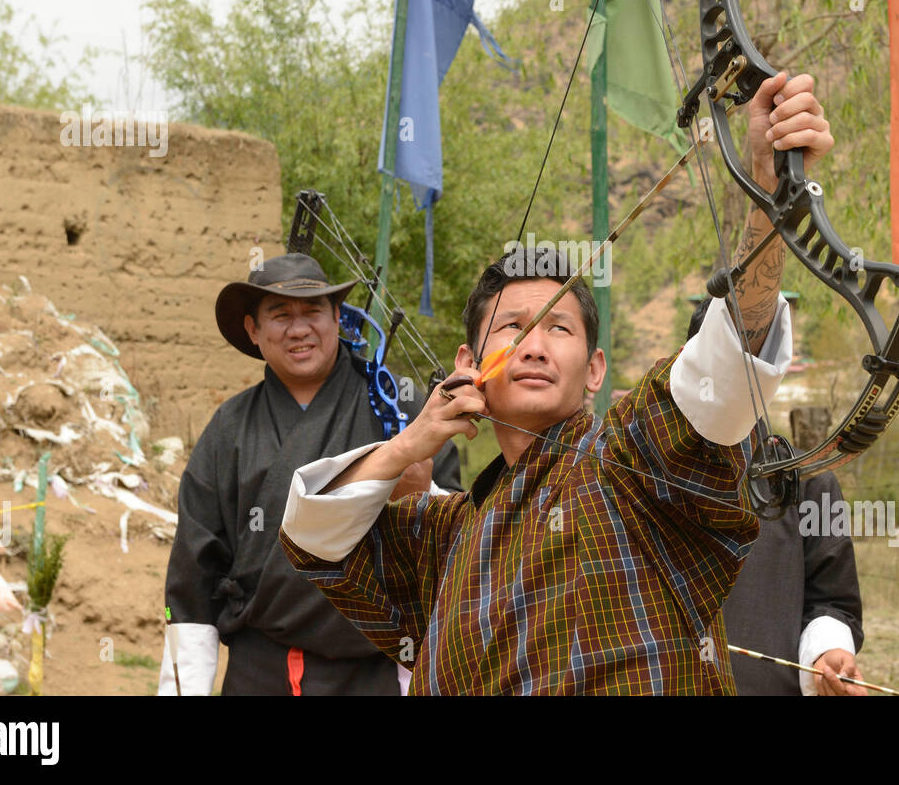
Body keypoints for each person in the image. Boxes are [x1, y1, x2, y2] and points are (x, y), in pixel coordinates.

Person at [278, 72, 833, 694]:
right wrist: (410, 445)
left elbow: (724, 376)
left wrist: (769, 191)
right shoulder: (445, 535)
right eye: (511, 327)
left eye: (559, 328)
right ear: (468, 362)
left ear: (594, 371)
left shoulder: (628, 466)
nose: (535, 345)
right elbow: (311, 534)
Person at [158, 252, 460, 695]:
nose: (299, 329)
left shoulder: (401, 412)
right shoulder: (230, 429)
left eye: (313, 311)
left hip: (377, 670)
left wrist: (422, 494)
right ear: (253, 331)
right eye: (280, 315)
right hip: (261, 670)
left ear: (337, 317)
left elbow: (460, 546)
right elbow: (192, 577)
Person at [683, 299, 867, 696]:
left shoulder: (810, 487)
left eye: (755, 357)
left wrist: (826, 653)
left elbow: (833, 603)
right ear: (689, 363)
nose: (737, 375)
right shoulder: (639, 476)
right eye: (722, 355)